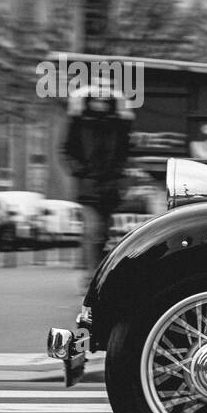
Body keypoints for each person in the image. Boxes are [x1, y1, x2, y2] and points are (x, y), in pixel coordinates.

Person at [62, 86, 132, 283]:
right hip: (88, 187)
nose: (99, 104)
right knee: (92, 230)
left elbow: (124, 153)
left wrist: (119, 175)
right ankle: (89, 278)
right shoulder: (79, 123)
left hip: (110, 188)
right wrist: (81, 172)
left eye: (104, 101)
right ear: (89, 102)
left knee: (103, 234)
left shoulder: (118, 125)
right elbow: (67, 151)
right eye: (96, 100)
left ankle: (99, 275)